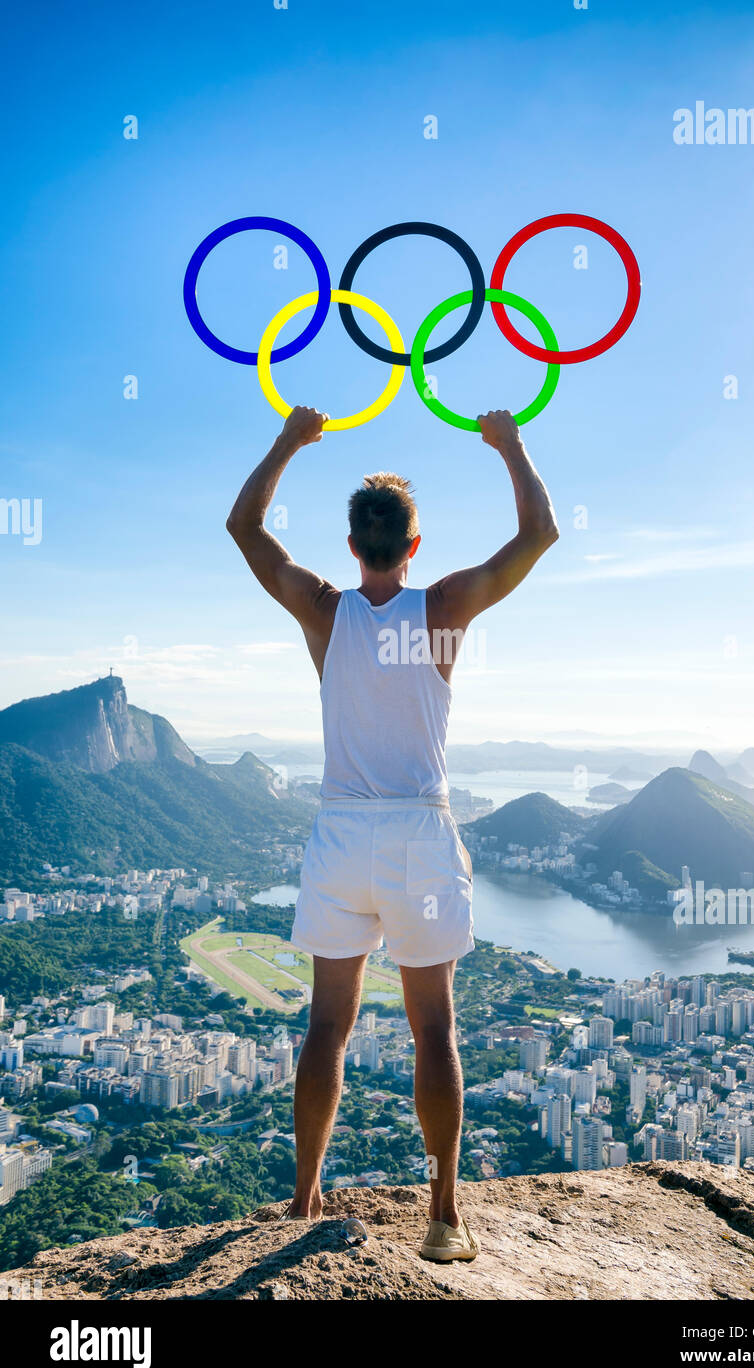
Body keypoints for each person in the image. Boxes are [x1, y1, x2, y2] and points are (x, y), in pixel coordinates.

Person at [226, 405, 558, 1261]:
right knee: (433, 1030)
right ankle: (444, 1215)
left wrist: (290, 442)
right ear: (413, 546)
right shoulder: (444, 605)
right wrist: (509, 444)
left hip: (340, 834)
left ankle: (302, 1201)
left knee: (325, 1026)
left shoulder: (324, 612)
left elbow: (244, 526)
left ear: (351, 545)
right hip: (418, 832)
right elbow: (539, 533)